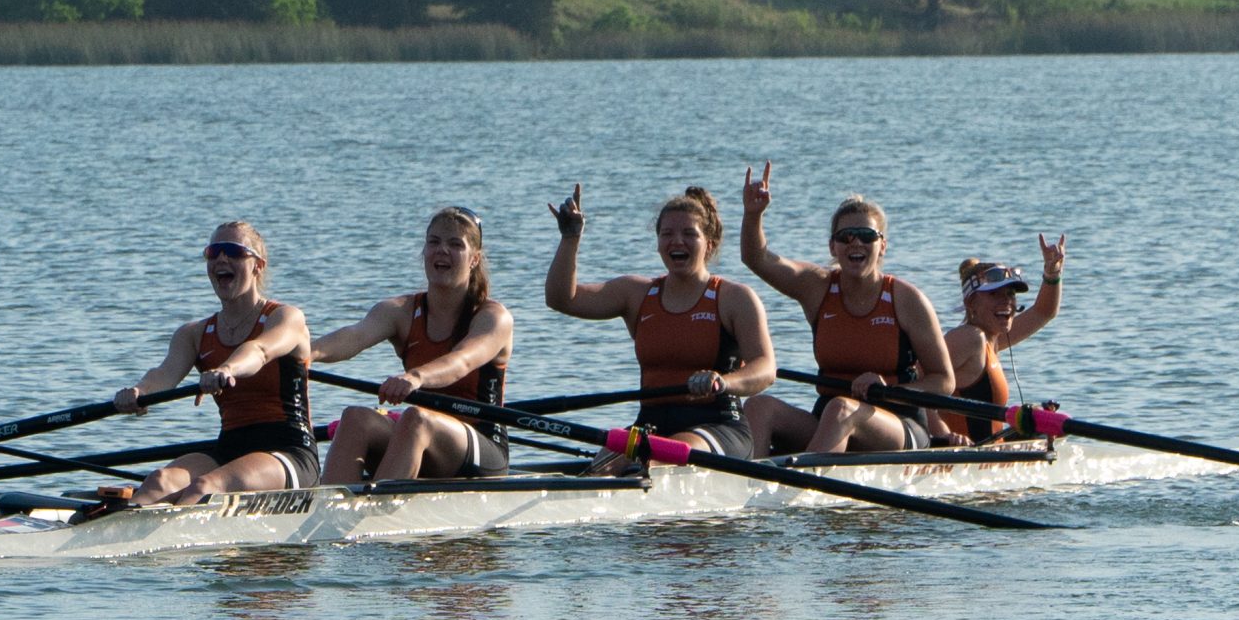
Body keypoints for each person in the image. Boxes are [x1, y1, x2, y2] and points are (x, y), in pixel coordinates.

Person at [544, 182, 775, 460]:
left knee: (662, 455)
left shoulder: (735, 298)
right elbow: (561, 299)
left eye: (689, 234)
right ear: (658, 244)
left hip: (719, 426)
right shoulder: (636, 294)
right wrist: (570, 238)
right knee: (601, 466)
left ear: (709, 244)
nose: (677, 241)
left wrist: (723, 381)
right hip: (650, 425)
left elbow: (765, 369)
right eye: (667, 234)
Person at [737, 163, 955, 454]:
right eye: (846, 236)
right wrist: (754, 216)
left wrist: (890, 391)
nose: (856, 243)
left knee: (842, 409)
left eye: (867, 236)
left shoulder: (906, 299)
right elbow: (757, 258)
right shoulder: (816, 287)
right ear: (832, 247)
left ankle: (801, 491)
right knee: (759, 406)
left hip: (898, 424)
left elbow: (944, 381)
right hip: (831, 418)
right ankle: (751, 490)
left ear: (883, 245)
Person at [109, 220, 318, 505]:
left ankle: (156, 540)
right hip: (229, 449)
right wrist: (140, 393)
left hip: (289, 453)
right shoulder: (193, 334)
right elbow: (164, 374)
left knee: (206, 487)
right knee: (160, 481)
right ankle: (117, 534)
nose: (222, 258)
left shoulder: (285, 317)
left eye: (233, 251)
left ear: (258, 265)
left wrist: (226, 369)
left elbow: (260, 351)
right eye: (214, 251)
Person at [312, 206, 515, 483]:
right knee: (355, 418)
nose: (442, 250)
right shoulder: (401, 311)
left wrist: (415, 377)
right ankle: (328, 513)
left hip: (482, 447)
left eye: (455, 244)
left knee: (416, 419)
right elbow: (354, 336)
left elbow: (462, 361)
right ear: (424, 252)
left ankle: (375, 513)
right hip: (419, 434)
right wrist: (303, 354)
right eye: (434, 242)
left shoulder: (493, 317)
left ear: (474, 259)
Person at [934, 235, 1068, 444]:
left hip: (992, 450)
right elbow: (917, 382)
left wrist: (1052, 273)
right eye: (995, 294)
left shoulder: (993, 338)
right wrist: (942, 433)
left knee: (1054, 426)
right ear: (971, 303)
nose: (1006, 301)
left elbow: (1044, 312)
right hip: (962, 456)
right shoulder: (970, 338)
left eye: (1010, 293)